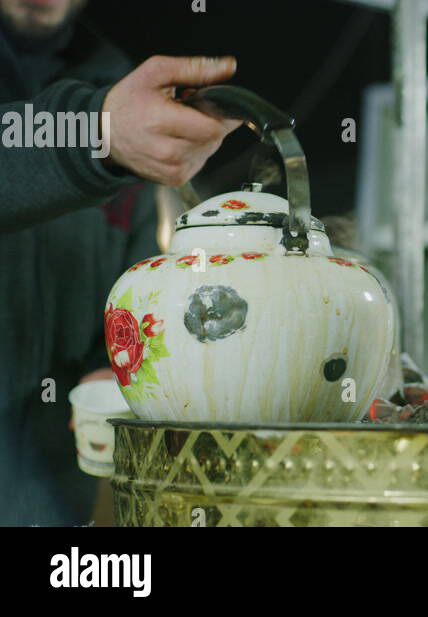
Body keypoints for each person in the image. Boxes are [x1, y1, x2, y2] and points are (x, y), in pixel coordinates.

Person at [0, 0, 241, 524]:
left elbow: (129, 290)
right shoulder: (108, 112)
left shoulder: (113, 83)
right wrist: (94, 132)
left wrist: (111, 362)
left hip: (51, 493)